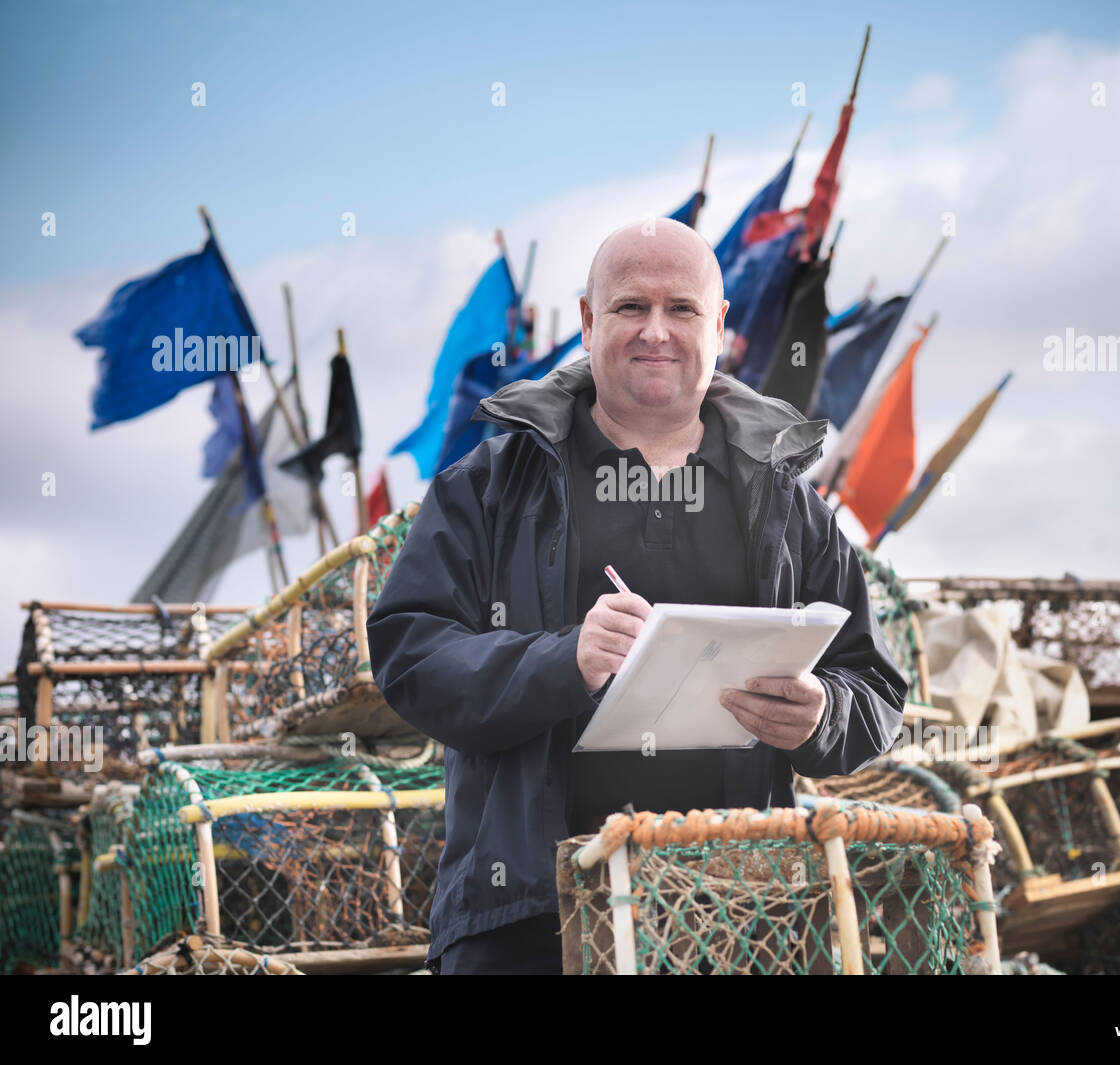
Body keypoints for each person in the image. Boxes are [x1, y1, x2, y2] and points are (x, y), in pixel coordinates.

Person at [367, 217, 908, 975]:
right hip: (524, 926)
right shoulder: (489, 484)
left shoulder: (789, 501)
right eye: (630, 307)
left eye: (682, 309)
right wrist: (564, 659)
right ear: (588, 321)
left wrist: (823, 713)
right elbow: (407, 650)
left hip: (733, 919)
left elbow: (876, 686)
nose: (656, 331)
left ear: (721, 328)